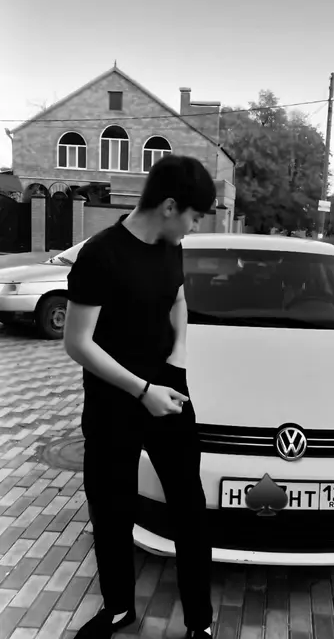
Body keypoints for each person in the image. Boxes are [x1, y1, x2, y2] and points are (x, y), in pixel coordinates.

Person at [64, 156, 216, 639]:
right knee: (111, 511)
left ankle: (199, 623)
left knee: (189, 509)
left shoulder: (172, 247)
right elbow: (78, 342)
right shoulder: (101, 255)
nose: (194, 228)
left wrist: (179, 356)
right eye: (194, 217)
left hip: (168, 393)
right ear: (170, 206)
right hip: (113, 403)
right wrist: (141, 390)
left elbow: (178, 298)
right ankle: (118, 609)